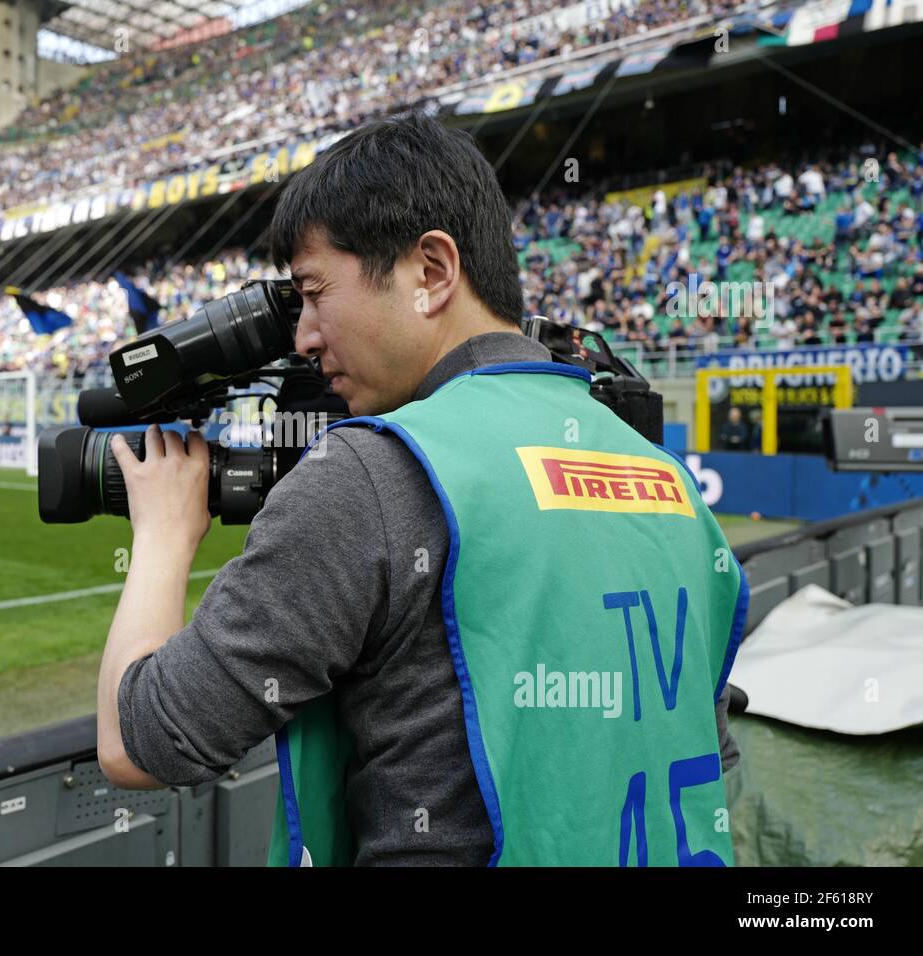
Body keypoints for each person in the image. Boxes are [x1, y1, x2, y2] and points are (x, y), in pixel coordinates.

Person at [95, 115, 746, 867]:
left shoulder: (371, 474)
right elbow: (708, 754)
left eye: (313, 293)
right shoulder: (668, 480)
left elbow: (137, 743)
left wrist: (162, 534)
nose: (303, 335)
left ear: (432, 272)